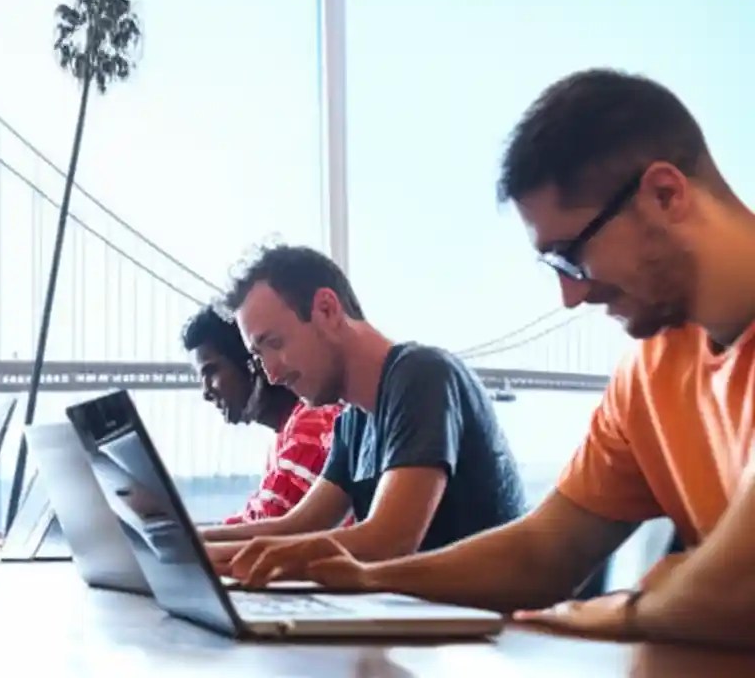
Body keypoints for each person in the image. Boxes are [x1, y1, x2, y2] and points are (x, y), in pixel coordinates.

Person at [258, 69, 755, 650]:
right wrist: (370, 579)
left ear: (664, 195)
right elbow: (546, 550)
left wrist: (625, 611)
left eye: (570, 257)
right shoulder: (650, 374)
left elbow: (739, 585)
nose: (570, 296)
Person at [203, 245, 526, 574]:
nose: (270, 374)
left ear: (327, 310)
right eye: (259, 356)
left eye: (275, 344)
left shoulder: (423, 374)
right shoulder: (352, 422)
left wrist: (219, 560)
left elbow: (389, 541)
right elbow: (296, 526)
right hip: (429, 617)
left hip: (494, 620)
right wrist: (187, 542)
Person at [182, 304, 342, 524]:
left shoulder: (311, 425)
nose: (206, 392)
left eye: (211, 371)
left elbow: (262, 531)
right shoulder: (288, 432)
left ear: (253, 362)